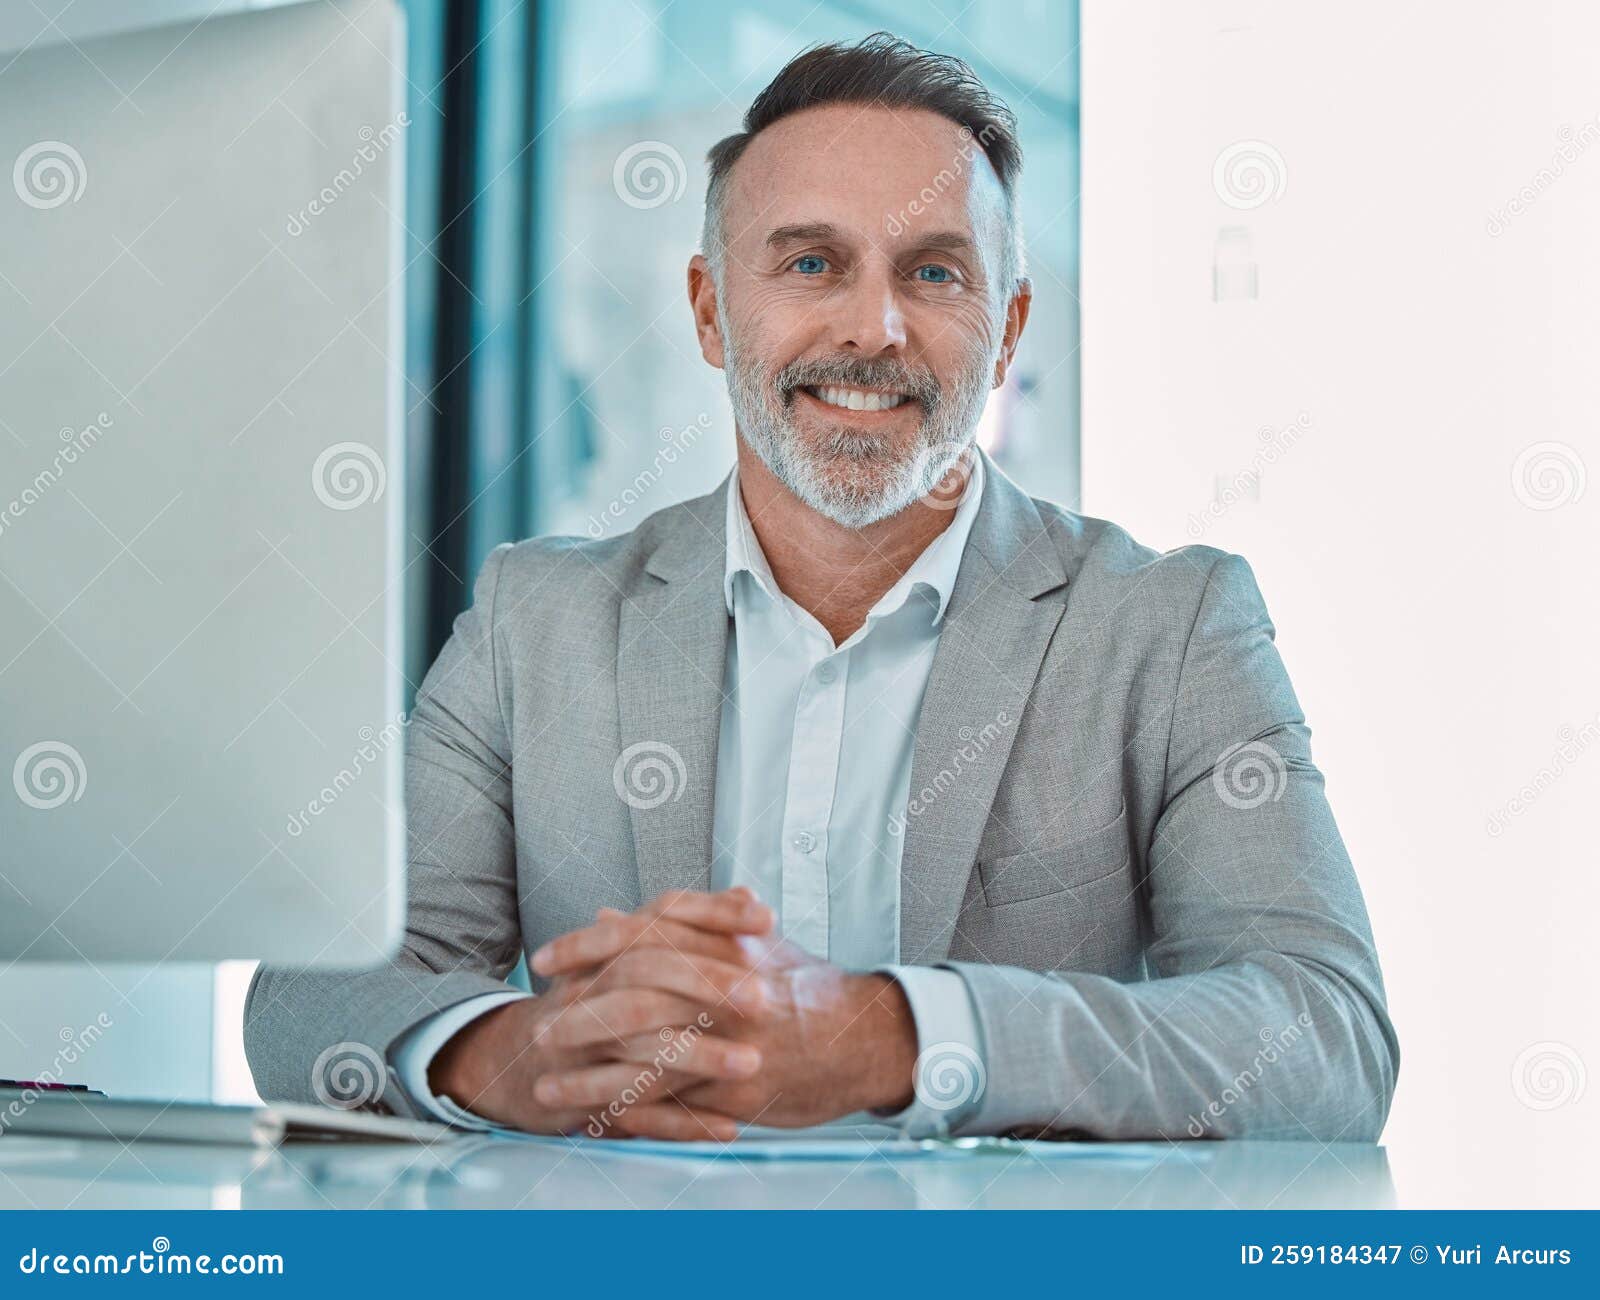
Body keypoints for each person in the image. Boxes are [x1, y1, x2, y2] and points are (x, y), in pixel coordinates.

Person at [246, 33, 1397, 1143]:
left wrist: (888, 1035)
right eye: (810, 262)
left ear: (1007, 336)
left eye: (934, 272)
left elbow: (1325, 1035)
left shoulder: (1168, 626)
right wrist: (504, 1054)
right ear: (709, 311)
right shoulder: (530, 625)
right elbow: (307, 1003)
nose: (873, 328)